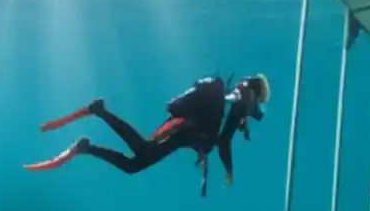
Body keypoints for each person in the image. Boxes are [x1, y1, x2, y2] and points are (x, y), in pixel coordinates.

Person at [24, 73, 271, 197]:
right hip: (184, 130)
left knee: (135, 164)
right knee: (141, 153)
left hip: (182, 128)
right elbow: (224, 139)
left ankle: (87, 145)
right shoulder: (244, 102)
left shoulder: (233, 94)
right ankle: (98, 114)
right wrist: (229, 171)